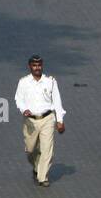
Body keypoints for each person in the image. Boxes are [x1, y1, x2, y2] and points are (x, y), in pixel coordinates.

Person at [15, 55, 66, 186]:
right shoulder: (23, 82)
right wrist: (24, 109)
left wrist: (60, 120)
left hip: (47, 119)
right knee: (31, 150)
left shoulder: (51, 81)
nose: (37, 68)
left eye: (39, 65)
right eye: (34, 65)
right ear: (30, 66)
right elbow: (18, 99)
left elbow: (57, 101)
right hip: (30, 121)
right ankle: (37, 165)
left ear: (42, 66)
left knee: (47, 149)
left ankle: (43, 177)